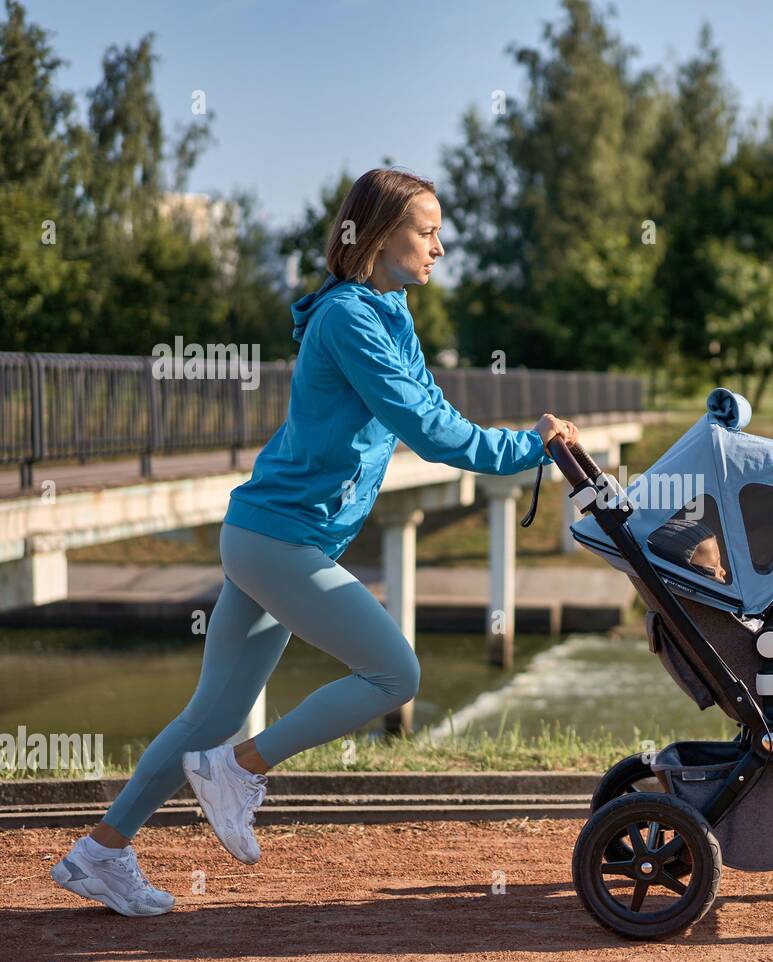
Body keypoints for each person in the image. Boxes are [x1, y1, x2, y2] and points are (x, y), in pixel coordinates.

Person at [51, 167, 579, 916]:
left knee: (207, 715)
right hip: (278, 542)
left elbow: (432, 406)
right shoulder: (348, 320)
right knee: (395, 672)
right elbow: (428, 434)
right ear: (383, 231)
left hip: (274, 537)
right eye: (427, 230)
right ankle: (240, 769)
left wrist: (520, 442)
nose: (440, 245)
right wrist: (529, 449)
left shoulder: (388, 311)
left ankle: (97, 853)